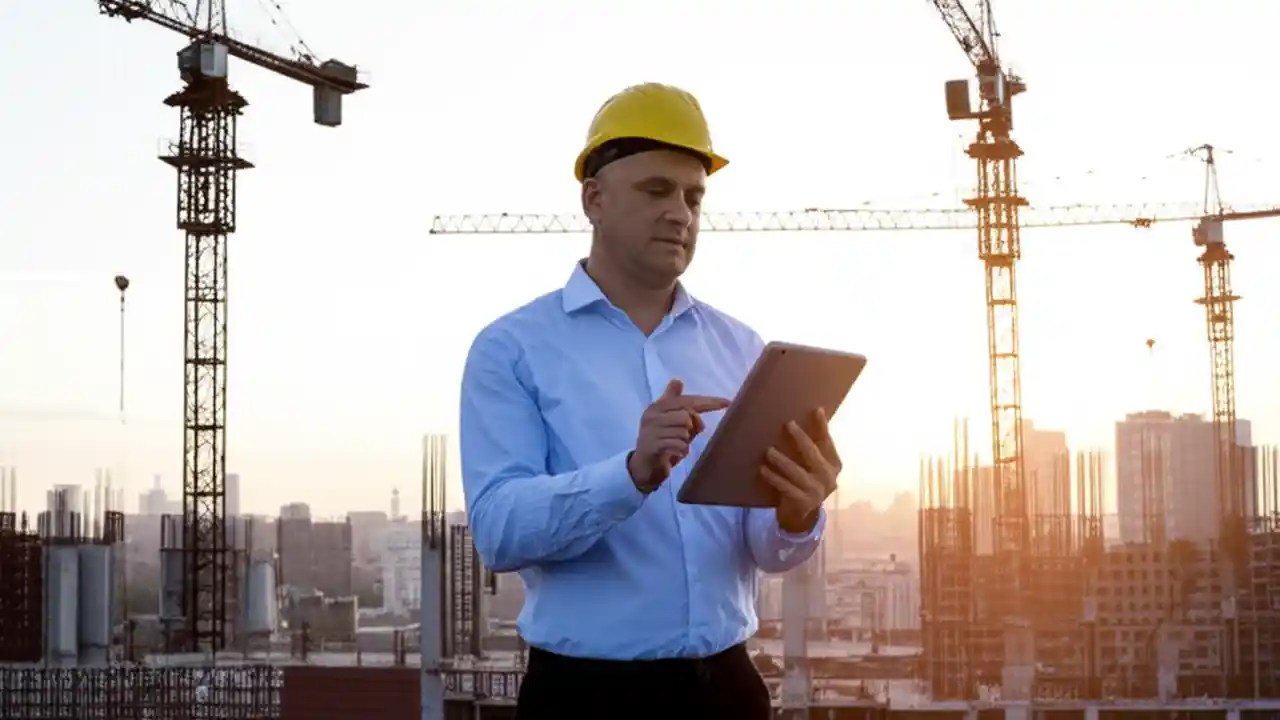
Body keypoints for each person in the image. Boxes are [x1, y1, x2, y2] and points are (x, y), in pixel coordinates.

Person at [459, 82, 842, 719]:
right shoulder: (513, 348)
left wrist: (798, 511)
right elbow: (499, 532)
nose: (681, 214)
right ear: (593, 199)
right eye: (656, 190)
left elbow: (766, 551)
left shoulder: (743, 347)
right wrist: (630, 474)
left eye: (695, 197)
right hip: (586, 697)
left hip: (730, 690)